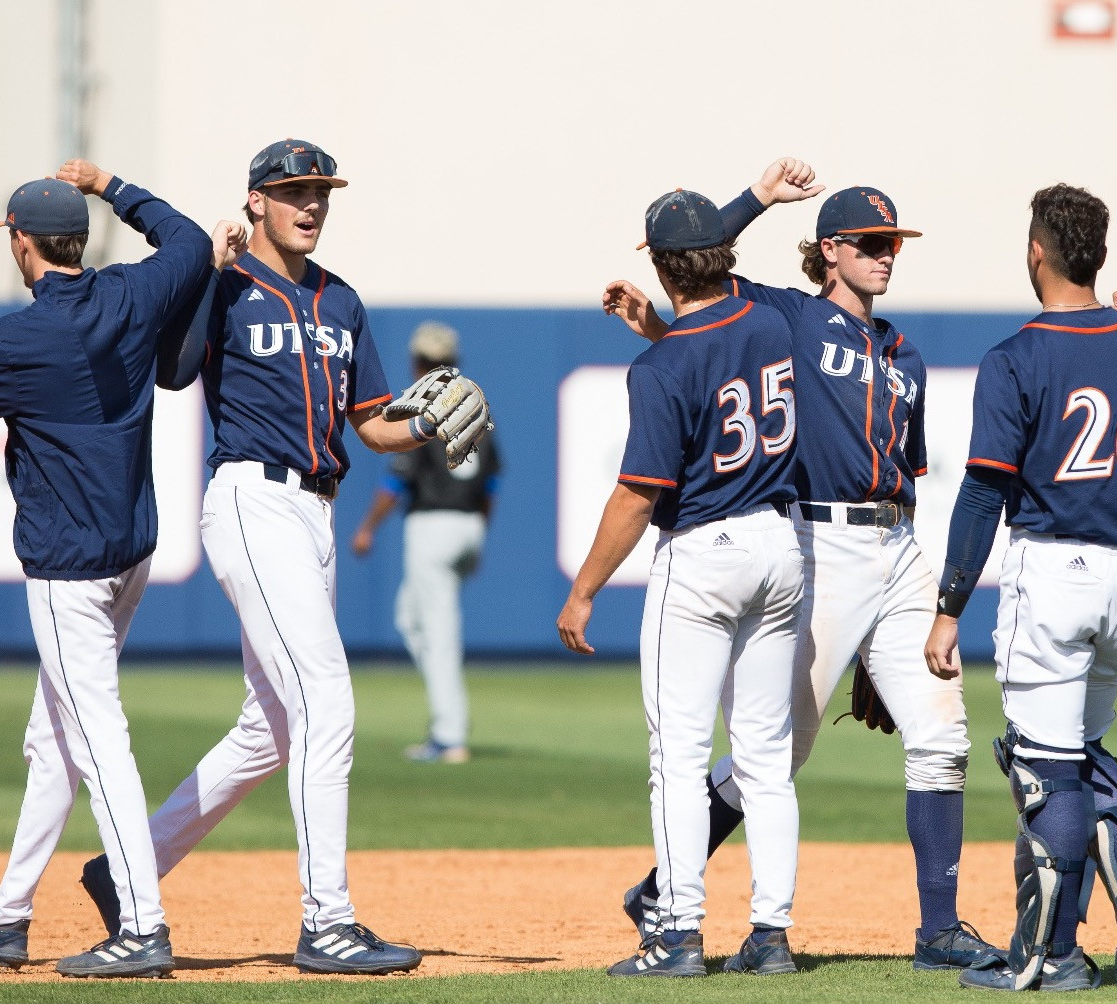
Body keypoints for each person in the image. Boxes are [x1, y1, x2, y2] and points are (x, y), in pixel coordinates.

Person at [75, 139, 490, 976]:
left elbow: (371, 427)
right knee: (325, 701)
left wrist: (424, 426)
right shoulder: (227, 285)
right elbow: (173, 372)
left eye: (320, 191)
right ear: (256, 200)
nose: (311, 204)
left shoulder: (341, 301)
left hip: (317, 512)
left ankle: (126, 871)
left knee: (269, 730)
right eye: (294, 190)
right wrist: (207, 275)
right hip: (252, 500)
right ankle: (326, 921)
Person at [603, 160, 997, 971]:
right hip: (815, 545)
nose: (885, 254)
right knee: (775, 755)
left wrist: (886, 631)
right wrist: (758, 197)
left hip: (896, 548)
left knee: (941, 738)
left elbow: (910, 475)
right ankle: (663, 891)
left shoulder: (905, 354)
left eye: (893, 243)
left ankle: (939, 929)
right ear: (828, 251)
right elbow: (698, 258)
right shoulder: (787, 318)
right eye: (871, 242)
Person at [0, 162, 211, 978]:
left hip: (69, 570)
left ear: (23, 245)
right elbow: (185, 238)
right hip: (130, 554)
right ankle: (5, 918)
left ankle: (142, 928)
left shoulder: (14, 338)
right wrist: (112, 185)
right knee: (54, 742)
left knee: (97, 741)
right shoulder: (134, 294)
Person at [923, 183, 1117, 992]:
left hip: (1054, 573)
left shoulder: (1016, 356)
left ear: (1036, 252)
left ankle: (1049, 958)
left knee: (1044, 769)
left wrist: (947, 609)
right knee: (1080, 755)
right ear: (1099, 254)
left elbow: (983, 491)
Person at [559, 189, 805, 977]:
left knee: (678, 753)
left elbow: (638, 494)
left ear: (663, 267)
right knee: (764, 758)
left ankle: (676, 935)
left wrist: (584, 589)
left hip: (704, 552)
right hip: (779, 544)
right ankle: (771, 936)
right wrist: (660, 326)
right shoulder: (769, 326)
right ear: (722, 257)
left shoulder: (660, 366)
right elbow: (717, 363)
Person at [350, 322, 501, 765]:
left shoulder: (419, 409)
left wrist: (367, 528)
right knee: (410, 618)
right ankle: (446, 707)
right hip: (469, 524)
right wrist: (478, 535)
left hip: (433, 527)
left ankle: (449, 735)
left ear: (417, 363)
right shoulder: (474, 404)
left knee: (437, 633)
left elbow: (395, 483)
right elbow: (491, 485)